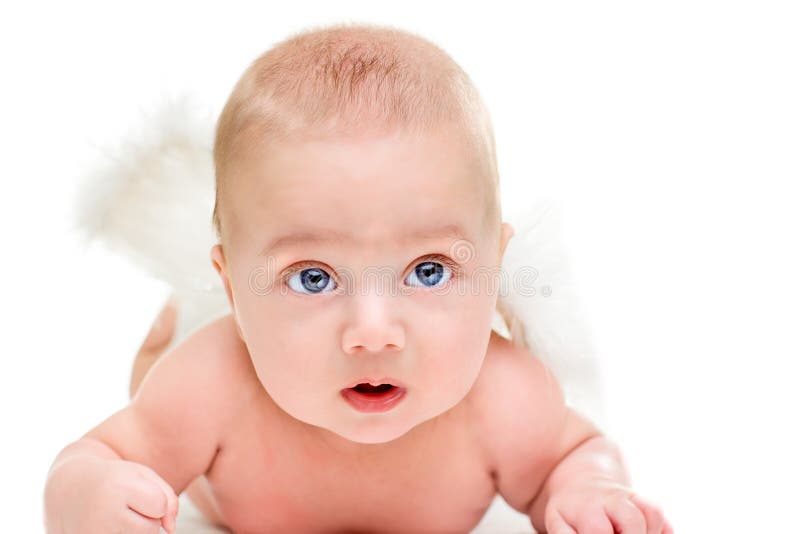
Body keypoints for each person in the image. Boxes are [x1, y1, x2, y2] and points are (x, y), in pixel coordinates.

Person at [44, 22, 671, 533]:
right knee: (160, 359)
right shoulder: (212, 386)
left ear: (493, 269)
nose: (372, 333)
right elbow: (91, 458)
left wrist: (587, 489)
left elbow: (579, 451)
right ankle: (183, 311)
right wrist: (90, 497)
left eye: (428, 272)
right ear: (234, 288)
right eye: (313, 278)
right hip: (209, 352)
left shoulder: (503, 398)